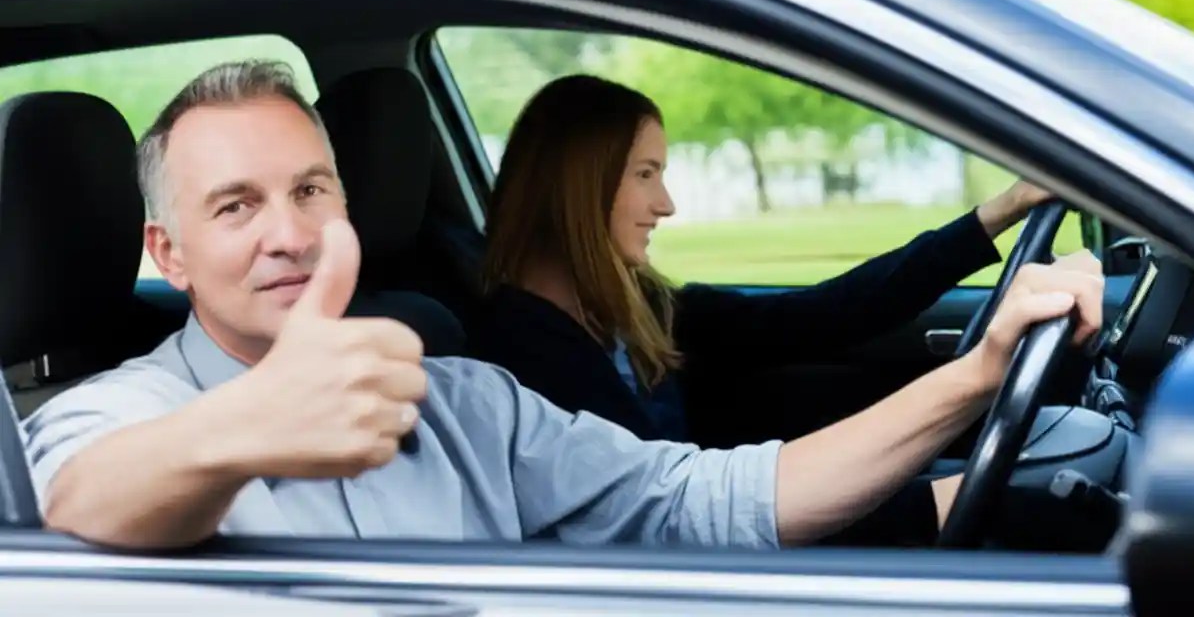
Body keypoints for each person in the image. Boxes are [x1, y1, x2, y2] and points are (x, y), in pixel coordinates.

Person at [22, 60, 1101, 551]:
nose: (290, 232)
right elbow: (83, 503)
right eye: (236, 205)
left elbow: (704, 501)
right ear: (166, 249)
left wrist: (970, 379)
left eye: (311, 191)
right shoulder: (116, 411)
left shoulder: (462, 399)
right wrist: (245, 426)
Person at [467, 74, 1061, 544]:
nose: (665, 204)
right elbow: (662, 519)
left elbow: (824, 316)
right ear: (579, 185)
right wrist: (926, 506)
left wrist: (997, 214)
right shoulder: (520, 364)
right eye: (645, 174)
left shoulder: (641, 311)